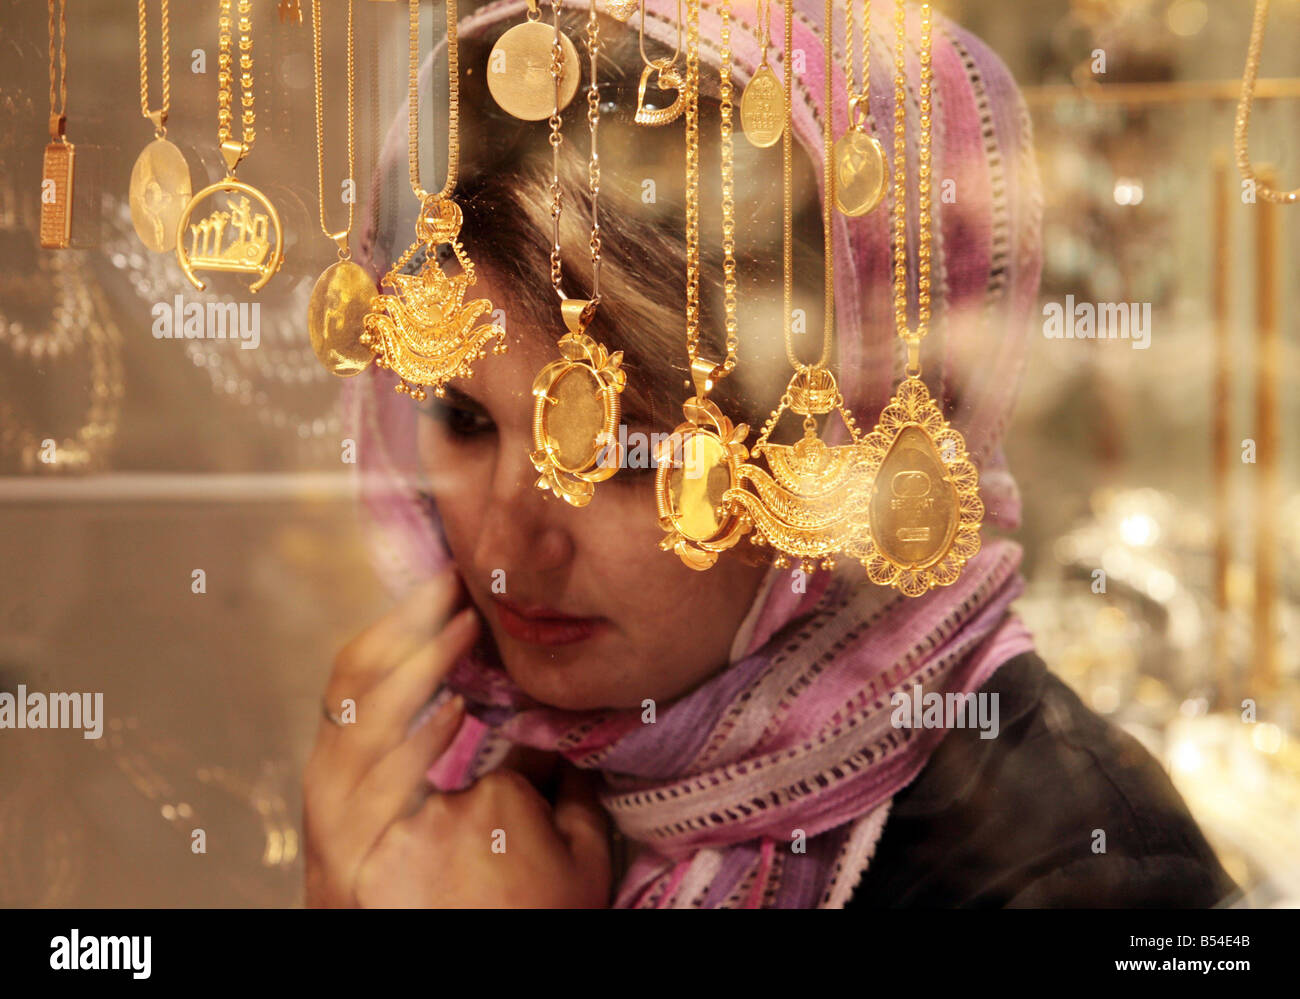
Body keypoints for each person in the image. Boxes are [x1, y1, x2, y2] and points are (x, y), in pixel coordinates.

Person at [303, 0, 1238, 908]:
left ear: (843, 440)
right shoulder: (482, 763)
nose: (512, 544)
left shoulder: (1081, 873)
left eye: (625, 450)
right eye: (461, 418)